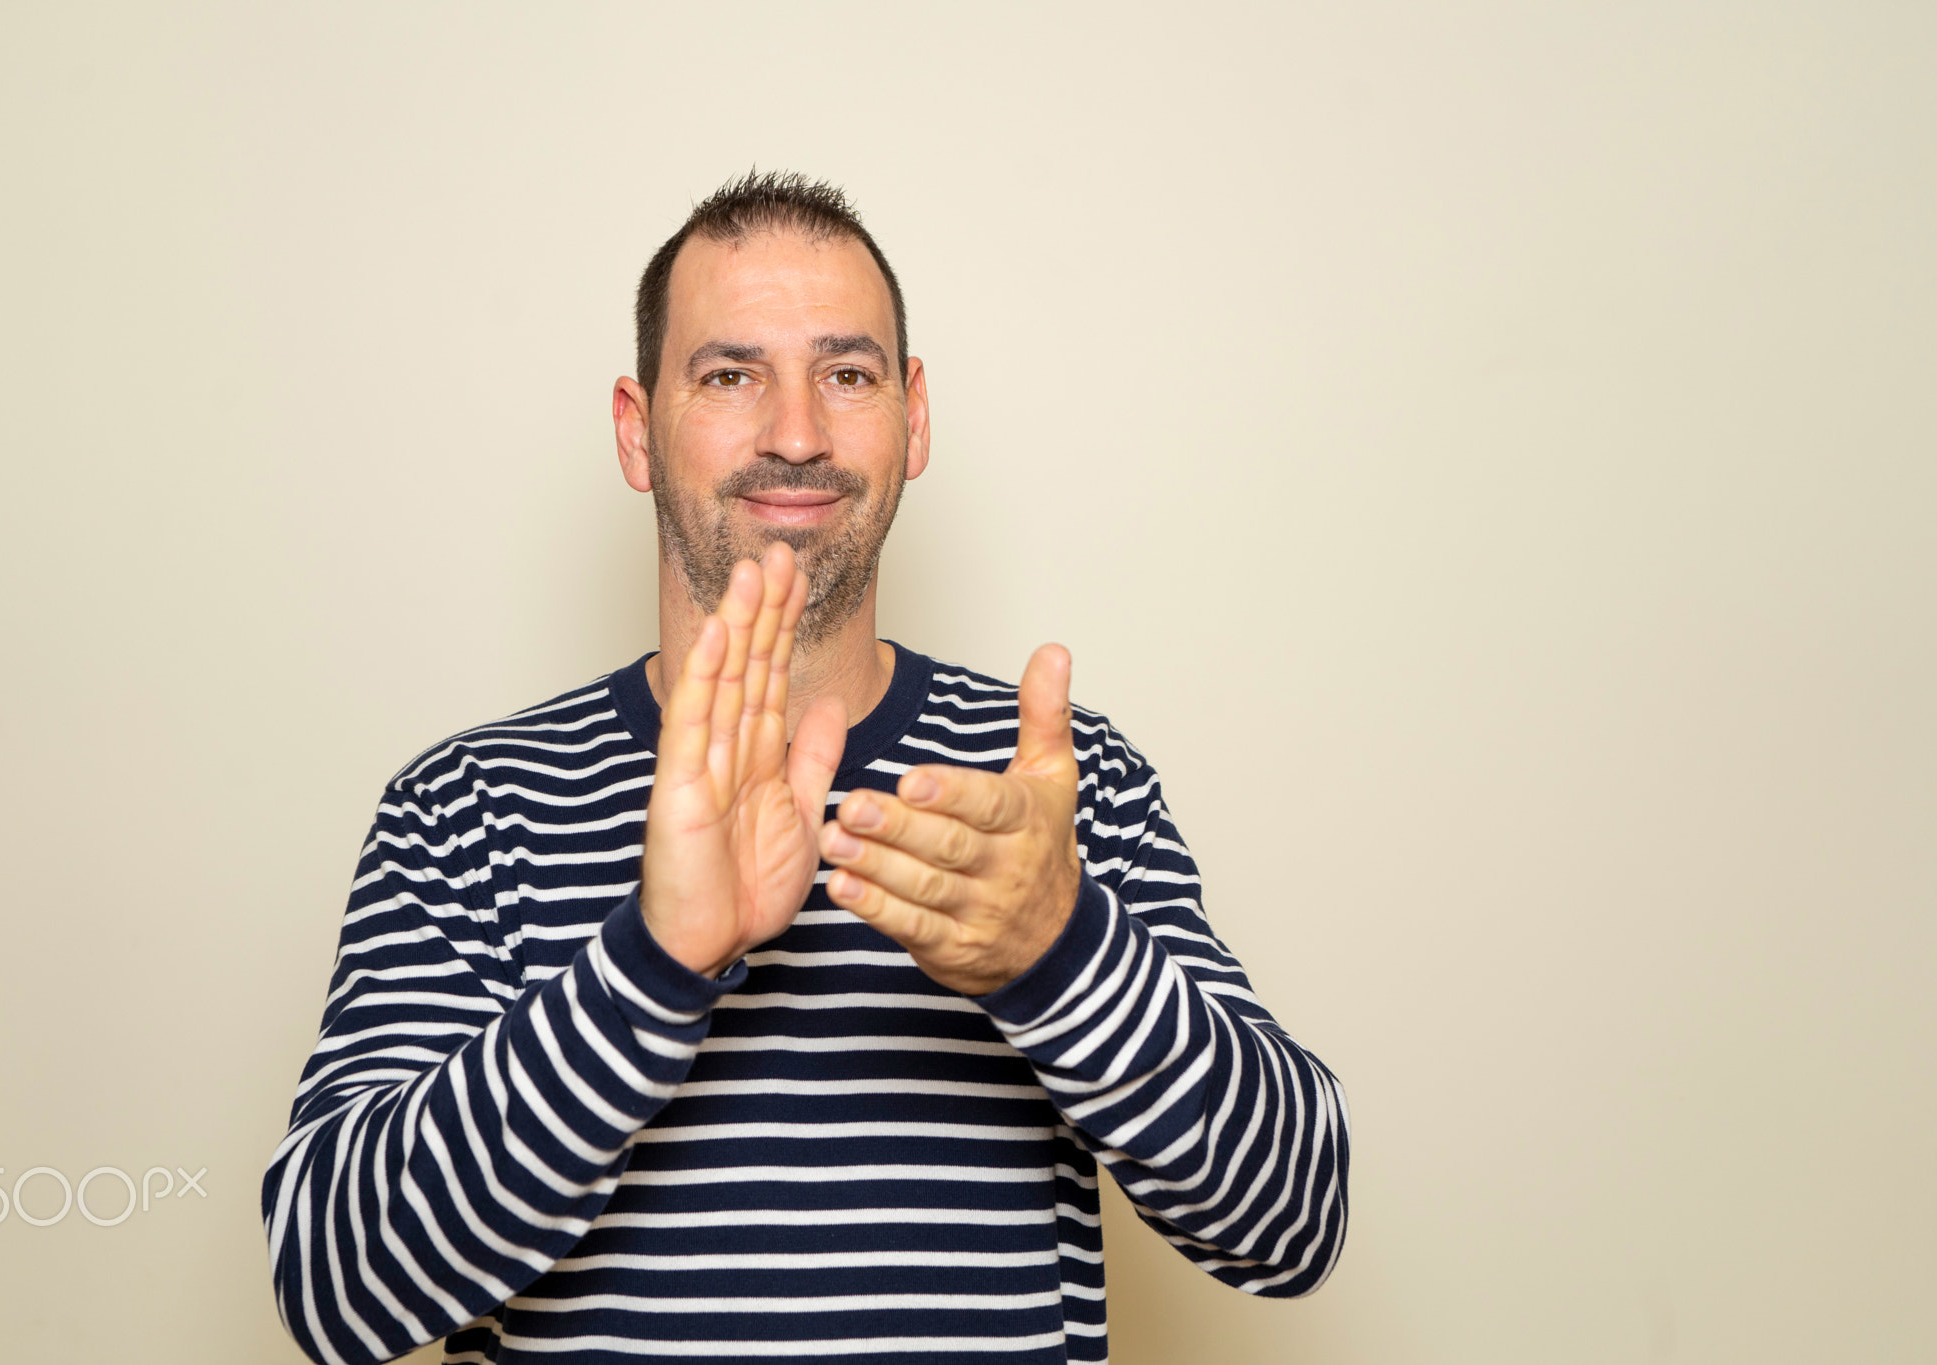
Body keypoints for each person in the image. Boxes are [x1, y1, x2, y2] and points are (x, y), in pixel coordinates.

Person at [261, 171, 1349, 1365]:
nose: (796, 432)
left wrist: (1059, 948)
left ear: (913, 416)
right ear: (637, 429)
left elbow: (1291, 1226)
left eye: (847, 374)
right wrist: (651, 964)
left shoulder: (1054, 793)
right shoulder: (466, 809)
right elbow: (334, 1292)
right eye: (730, 375)